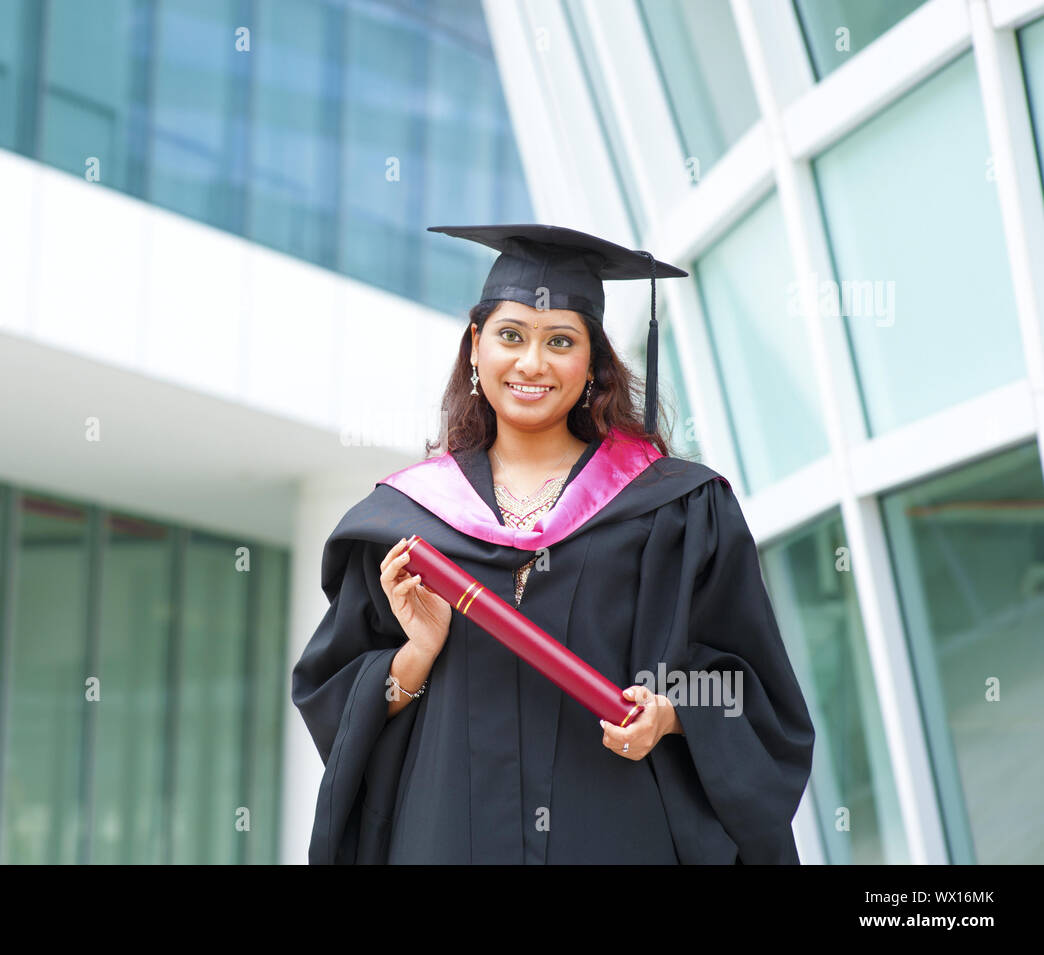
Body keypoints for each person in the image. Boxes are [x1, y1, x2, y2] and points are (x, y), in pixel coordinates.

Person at [291, 223, 815, 864]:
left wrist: (672, 714)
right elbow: (335, 706)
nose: (532, 363)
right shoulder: (401, 521)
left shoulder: (676, 509)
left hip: (617, 834)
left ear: (593, 364)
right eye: (511, 336)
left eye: (560, 341)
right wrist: (414, 659)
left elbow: (749, 690)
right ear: (477, 345)